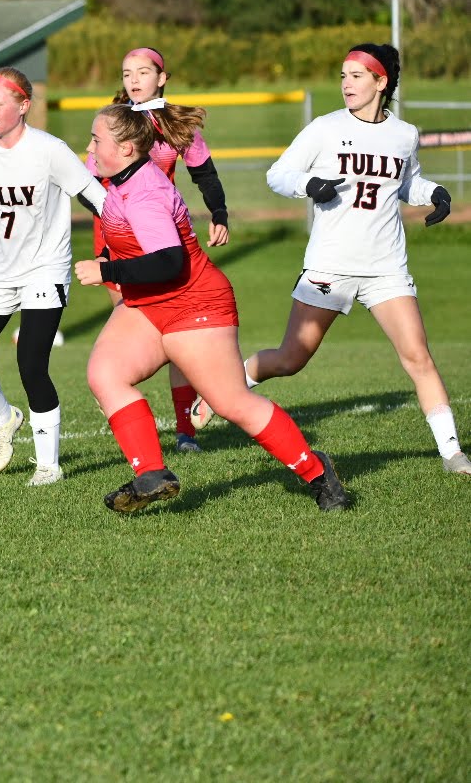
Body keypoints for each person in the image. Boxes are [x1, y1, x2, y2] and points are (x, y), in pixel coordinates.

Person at [193, 44, 465, 475]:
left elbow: (404, 182)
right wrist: (311, 184)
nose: (346, 84)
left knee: (418, 356)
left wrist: (433, 193)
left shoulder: (404, 134)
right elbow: (278, 174)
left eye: (357, 76)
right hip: (330, 266)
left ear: (382, 82)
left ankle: (452, 453)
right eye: (343, 76)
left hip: (386, 267)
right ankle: (219, 390)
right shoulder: (325, 128)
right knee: (290, 359)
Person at [76, 103, 350, 514]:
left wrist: (107, 270)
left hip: (194, 303)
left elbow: (170, 261)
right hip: (147, 304)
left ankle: (316, 471)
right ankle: (151, 473)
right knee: (105, 374)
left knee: (230, 403)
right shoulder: (118, 175)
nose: (90, 146)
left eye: (97, 139)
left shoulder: (146, 192)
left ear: (128, 148)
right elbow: (84, 186)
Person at [0, 67, 107, 486]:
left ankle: (48, 466)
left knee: (31, 362)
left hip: (45, 267)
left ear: (23, 106)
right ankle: (5, 419)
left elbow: (96, 197)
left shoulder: (49, 150)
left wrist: (125, 242)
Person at [88, 47, 230, 454]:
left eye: (143, 72)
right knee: (128, 323)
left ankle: (186, 433)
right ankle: (122, 403)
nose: (134, 80)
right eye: (127, 72)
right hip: (115, 241)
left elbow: (205, 174)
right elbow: (88, 183)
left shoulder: (176, 124)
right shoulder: (113, 123)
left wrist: (219, 213)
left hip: (159, 238)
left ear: (162, 77)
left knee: (177, 333)